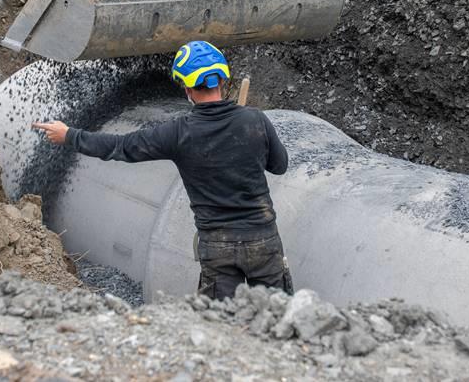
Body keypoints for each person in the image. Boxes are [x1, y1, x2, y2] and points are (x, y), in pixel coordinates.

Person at [32, 41, 293, 300]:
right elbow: (279, 166)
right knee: (276, 318)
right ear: (223, 80)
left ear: (187, 88)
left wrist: (69, 135)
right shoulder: (254, 120)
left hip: (218, 246)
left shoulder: (178, 133)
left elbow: (121, 147)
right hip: (263, 240)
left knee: (221, 324)